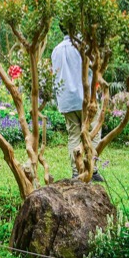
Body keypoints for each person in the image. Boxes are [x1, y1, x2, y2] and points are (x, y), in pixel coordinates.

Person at [51, 35, 87, 178]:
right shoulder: (82, 46)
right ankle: (92, 167)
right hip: (84, 96)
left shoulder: (56, 50)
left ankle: (75, 171)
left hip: (66, 99)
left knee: (74, 135)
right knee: (91, 132)